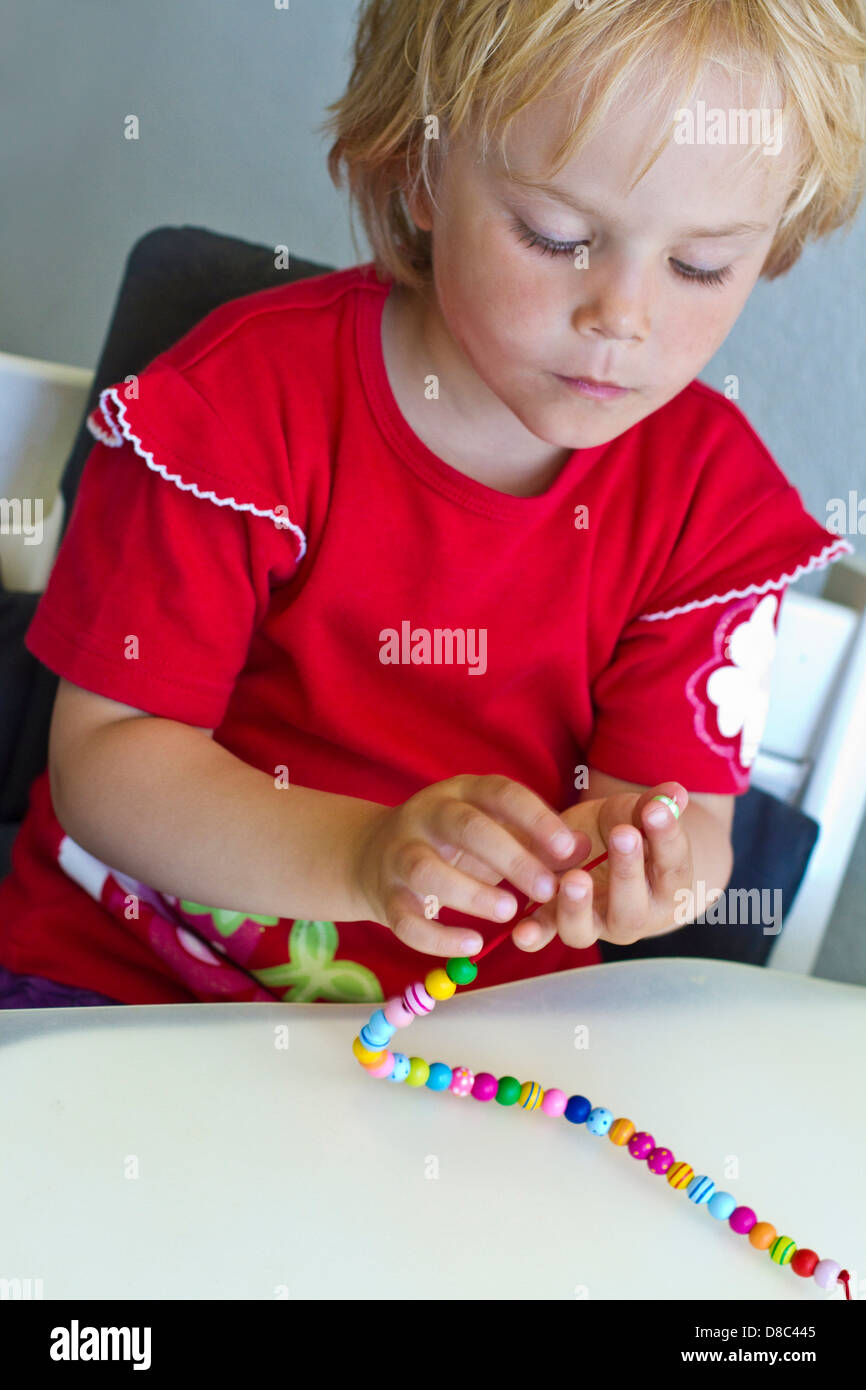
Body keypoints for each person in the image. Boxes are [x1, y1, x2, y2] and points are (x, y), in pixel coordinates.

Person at [0, 0, 862, 1007]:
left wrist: (646, 874)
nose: (620, 318)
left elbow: (682, 822)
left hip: (480, 1039)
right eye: (554, 235)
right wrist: (366, 855)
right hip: (124, 987)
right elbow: (107, 765)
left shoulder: (709, 505)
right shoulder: (233, 410)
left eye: (698, 265)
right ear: (417, 171)